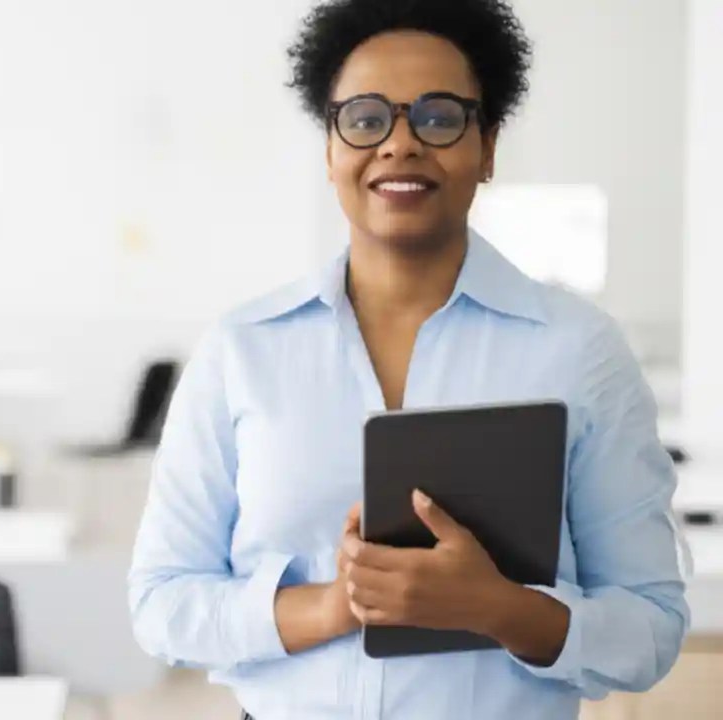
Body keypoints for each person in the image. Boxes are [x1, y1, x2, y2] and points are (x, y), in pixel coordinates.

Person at [126, 0, 689, 718]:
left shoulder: (578, 350)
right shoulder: (243, 349)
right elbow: (162, 600)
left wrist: (497, 607)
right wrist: (332, 608)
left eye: (439, 117)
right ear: (330, 150)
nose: (399, 144)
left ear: (487, 148)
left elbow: (650, 628)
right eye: (365, 119)